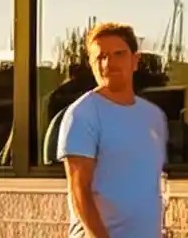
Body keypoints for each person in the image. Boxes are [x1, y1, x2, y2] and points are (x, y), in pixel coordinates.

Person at [58, 23, 167, 238]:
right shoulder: (83, 114)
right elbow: (79, 191)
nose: (109, 63)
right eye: (101, 57)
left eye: (119, 54)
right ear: (91, 64)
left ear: (135, 61)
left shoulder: (153, 117)